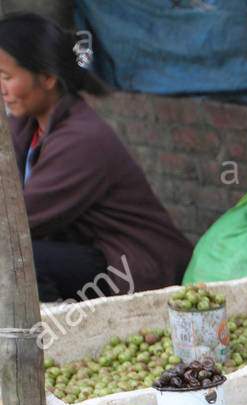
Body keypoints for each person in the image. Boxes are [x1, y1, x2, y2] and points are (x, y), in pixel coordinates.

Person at [1, 12, 191, 302]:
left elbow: (17, 219)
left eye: (7, 77)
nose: (2, 89)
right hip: (87, 250)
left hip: (133, 268)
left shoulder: (81, 140)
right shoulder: (26, 124)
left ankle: (50, 337)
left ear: (48, 77)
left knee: (21, 257)